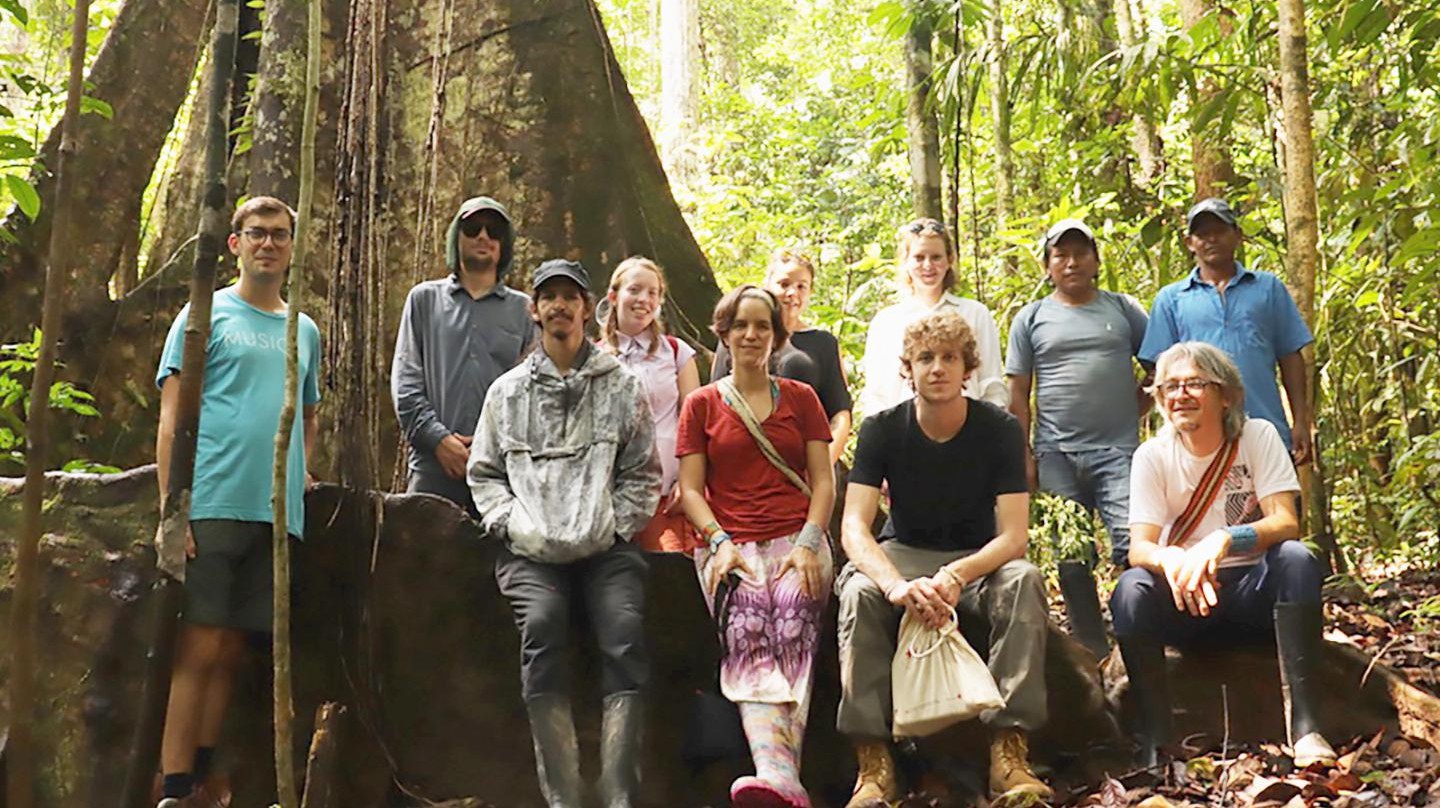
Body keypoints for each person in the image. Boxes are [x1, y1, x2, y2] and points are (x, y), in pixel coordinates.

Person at [838, 310, 1052, 806]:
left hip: (978, 559)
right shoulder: (882, 429)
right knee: (857, 593)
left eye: (949, 358)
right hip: (903, 553)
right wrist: (894, 585)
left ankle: (1009, 753)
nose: (937, 368)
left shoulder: (998, 429)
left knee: (1023, 580)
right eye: (925, 358)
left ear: (967, 367)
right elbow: (854, 526)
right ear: (908, 368)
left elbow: (1014, 536)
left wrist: (957, 574)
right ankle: (873, 764)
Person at [468, 259, 661, 808]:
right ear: (535, 310)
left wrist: (612, 525)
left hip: (607, 551)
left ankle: (619, 792)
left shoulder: (622, 386)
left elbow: (643, 472)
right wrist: (513, 525)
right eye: (548, 297)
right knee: (544, 626)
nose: (559, 306)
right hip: (530, 554)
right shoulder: (506, 394)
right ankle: (565, 798)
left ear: (585, 307)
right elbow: (484, 474)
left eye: (568, 297)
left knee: (623, 632)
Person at [153, 197, 322, 808]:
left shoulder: (304, 328)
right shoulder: (206, 315)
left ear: (292, 247)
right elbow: (173, 415)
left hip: (274, 515)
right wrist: (173, 508)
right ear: (236, 243)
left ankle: (198, 775)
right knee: (197, 644)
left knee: (231, 649)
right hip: (213, 501)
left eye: (280, 235)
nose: (269, 245)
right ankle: (171, 784)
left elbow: (308, 414)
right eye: (258, 234)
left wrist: (302, 471)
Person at [1110, 342, 1334, 769]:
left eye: (1195, 383)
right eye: (1169, 387)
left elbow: (1286, 522)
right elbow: (1140, 548)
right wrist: (1172, 560)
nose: (1180, 395)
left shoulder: (1258, 436)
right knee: (1131, 587)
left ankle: (1306, 728)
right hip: (1188, 600)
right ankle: (1157, 742)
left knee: (1296, 558)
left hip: (1253, 594)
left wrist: (1226, 539)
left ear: (1226, 395)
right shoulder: (1152, 456)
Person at [676, 284, 836, 807]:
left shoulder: (802, 399)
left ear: (776, 335)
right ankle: (780, 776)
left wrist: (811, 542)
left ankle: (780, 778)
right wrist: (719, 543)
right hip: (731, 543)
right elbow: (692, 492)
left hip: (797, 538)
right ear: (724, 332)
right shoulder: (701, 405)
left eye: (762, 326)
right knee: (746, 622)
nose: (751, 335)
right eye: (740, 325)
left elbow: (823, 480)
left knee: (792, 614)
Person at [1006, 219, 1151, 657]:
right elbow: (1018, 392)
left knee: (1131, 546)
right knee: (1072, 553)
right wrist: (1025, 454)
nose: (1071, 262)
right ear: (1047, 264)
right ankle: (1092, 647)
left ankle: (1138, 639)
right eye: (1060, 255)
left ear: (1095, 260)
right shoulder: (1031, 319)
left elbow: (1158, 369)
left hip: (1118, 452)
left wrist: (1133, 410)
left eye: (1080, 253)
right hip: (1056, 454)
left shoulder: (1123, 310)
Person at [1139, 198, 1314, 465]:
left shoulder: (1268, 288)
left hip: (1266, 431)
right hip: (1198, 442)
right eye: (1202, 234)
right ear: (1190, 243)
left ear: (1237, 236)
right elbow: (1160, 375)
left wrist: (1301, 421)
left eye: (1219, 231)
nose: (1211, 240)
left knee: (1278, 506)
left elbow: (1290, 356)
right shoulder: (1171, 299)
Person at [392, 196, 536, 513]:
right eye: (473, 228)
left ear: (505, 244)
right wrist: (439, 440)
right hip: (432, 467)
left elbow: (533, 395)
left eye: (494, 230)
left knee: (496, 562)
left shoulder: (525, 311)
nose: (483, 236)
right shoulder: (424, 300)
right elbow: (405, 384)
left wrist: (486, 444)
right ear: (457, 236)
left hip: (501, 475)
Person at [710, 249, 854, 465]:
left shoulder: (822, 343)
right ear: (767, 285)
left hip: (804, 465)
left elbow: (840, 414)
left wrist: (821, 467)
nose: (792, 293)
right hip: (741, 463)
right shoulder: (738, 337)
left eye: (801, 286)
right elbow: (714, 404)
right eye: (784, 284)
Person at [597, 256, 701, 552]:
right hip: (614, 498)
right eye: (635, 290)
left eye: (652, 293)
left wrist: (689, 481)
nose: (644, 299)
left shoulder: (677, 352)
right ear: (614, 297)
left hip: (667, 495)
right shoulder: (594, 359)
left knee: (670, 572)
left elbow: (694, 423)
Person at [859, 218, 1007, 417]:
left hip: (968, 432)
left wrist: (991, 432)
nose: (928, 265)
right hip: (902, 435)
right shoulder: (886, 321)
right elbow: (877, 394)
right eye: (919, 257)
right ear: (906, 262)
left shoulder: (975, 313)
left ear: (949, 260)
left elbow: (991, 385)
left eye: (936, 257)